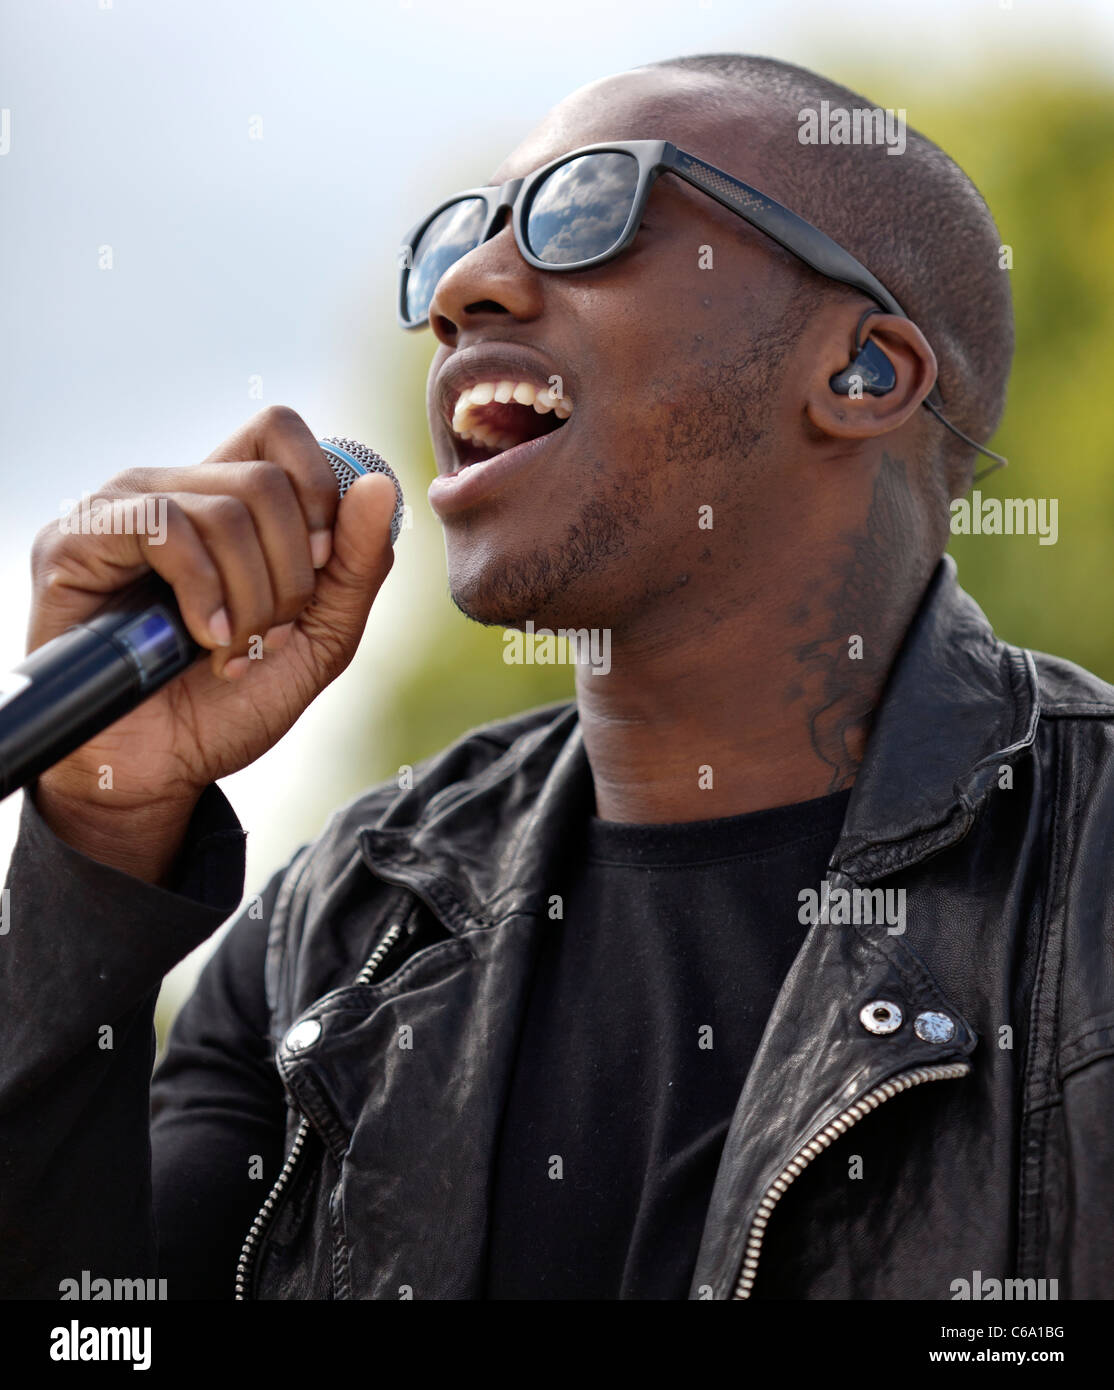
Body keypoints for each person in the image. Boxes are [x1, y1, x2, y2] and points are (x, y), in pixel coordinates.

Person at [1, 53, 1110, 1302]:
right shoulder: (342, 932)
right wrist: (93, 851)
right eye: (454, 241)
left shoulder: (1090, 875)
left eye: (585, 209)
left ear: (861, 375)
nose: (464, 291)